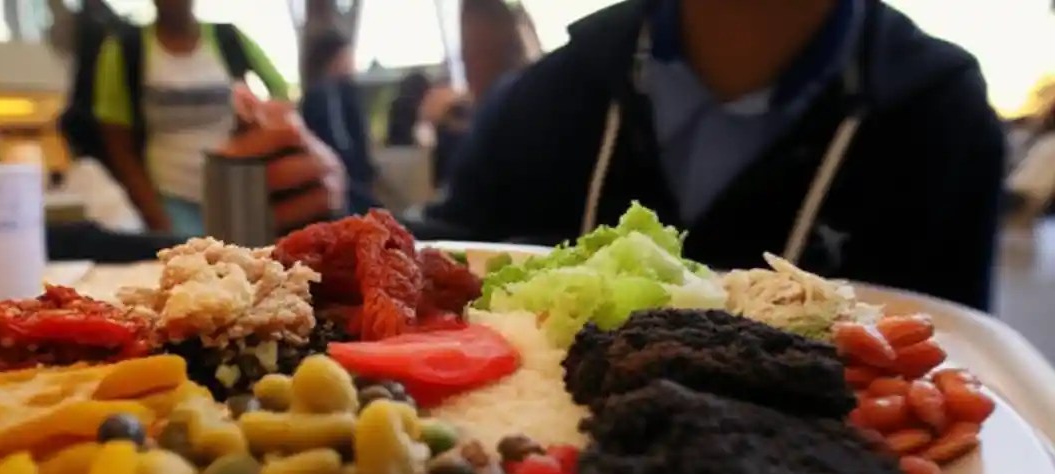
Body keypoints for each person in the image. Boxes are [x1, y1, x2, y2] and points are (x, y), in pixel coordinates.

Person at [427, 0, 1005, 311]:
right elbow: (445, 255)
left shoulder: (938, 113)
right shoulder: (552, 90)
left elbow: (958, 358)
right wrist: (338, 194)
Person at [92, 0, 289, 235]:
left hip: (236, 192)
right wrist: (155, 215)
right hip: (171, 195)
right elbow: (117, 142)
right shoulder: (126, 47)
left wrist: (257, 117)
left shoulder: (228, 38)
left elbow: (281, 98)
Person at [299, 29, 378, 214]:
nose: (352, 63)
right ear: (335, 58)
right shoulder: (327, 93)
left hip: (337, 179)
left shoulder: (332, 91)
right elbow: (340, 141)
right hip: (342, 180)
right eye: (348, 55)